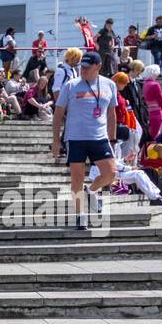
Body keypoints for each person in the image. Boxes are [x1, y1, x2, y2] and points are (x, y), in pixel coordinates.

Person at [52, 51, 119, 229]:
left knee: (111, 173)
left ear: (98, 67)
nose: (83, 70)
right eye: (82, 67)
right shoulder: (71, 85)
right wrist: (56, 141)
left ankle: (92, 191)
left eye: (87, 68)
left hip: (99, 137)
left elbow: (112, 113)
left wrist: (112, 138)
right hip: (75, 138)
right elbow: (58, 112)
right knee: (77, 178)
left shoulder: (109, 85)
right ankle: (80, 216)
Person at [142, 64, 162, 141]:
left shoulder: (143, 84)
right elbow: (160, 100)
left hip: (146, 112)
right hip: (156, 112)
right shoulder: (155, 85)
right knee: (156, 135)